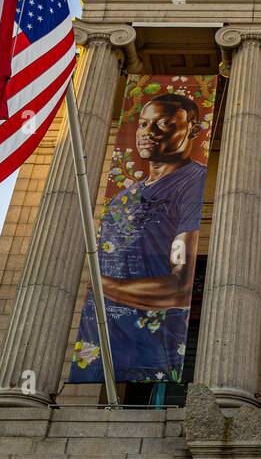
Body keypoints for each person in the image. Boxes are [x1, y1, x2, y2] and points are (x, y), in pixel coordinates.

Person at [72, 92, 206, 384]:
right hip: (108, 346)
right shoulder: (123, 196)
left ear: (192, 130)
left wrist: (102, 285)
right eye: (144, 125)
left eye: (163, 124)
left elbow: (180, 286)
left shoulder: (193, 183)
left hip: (155, 347)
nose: (148, 133)